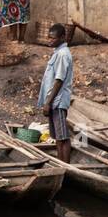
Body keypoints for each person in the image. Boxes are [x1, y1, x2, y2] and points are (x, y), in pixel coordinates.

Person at [37, 23, 74, 161]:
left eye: (53, 38)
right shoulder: (57, 53)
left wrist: (48, 102)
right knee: (58, 137)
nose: (50, 40)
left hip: (57, 101)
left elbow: (59, 80)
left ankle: (66, 166)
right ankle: (60, 164)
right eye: (49, 37)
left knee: (63, 137)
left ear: (63, 37)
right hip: (54, 101)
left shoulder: (63, 54)